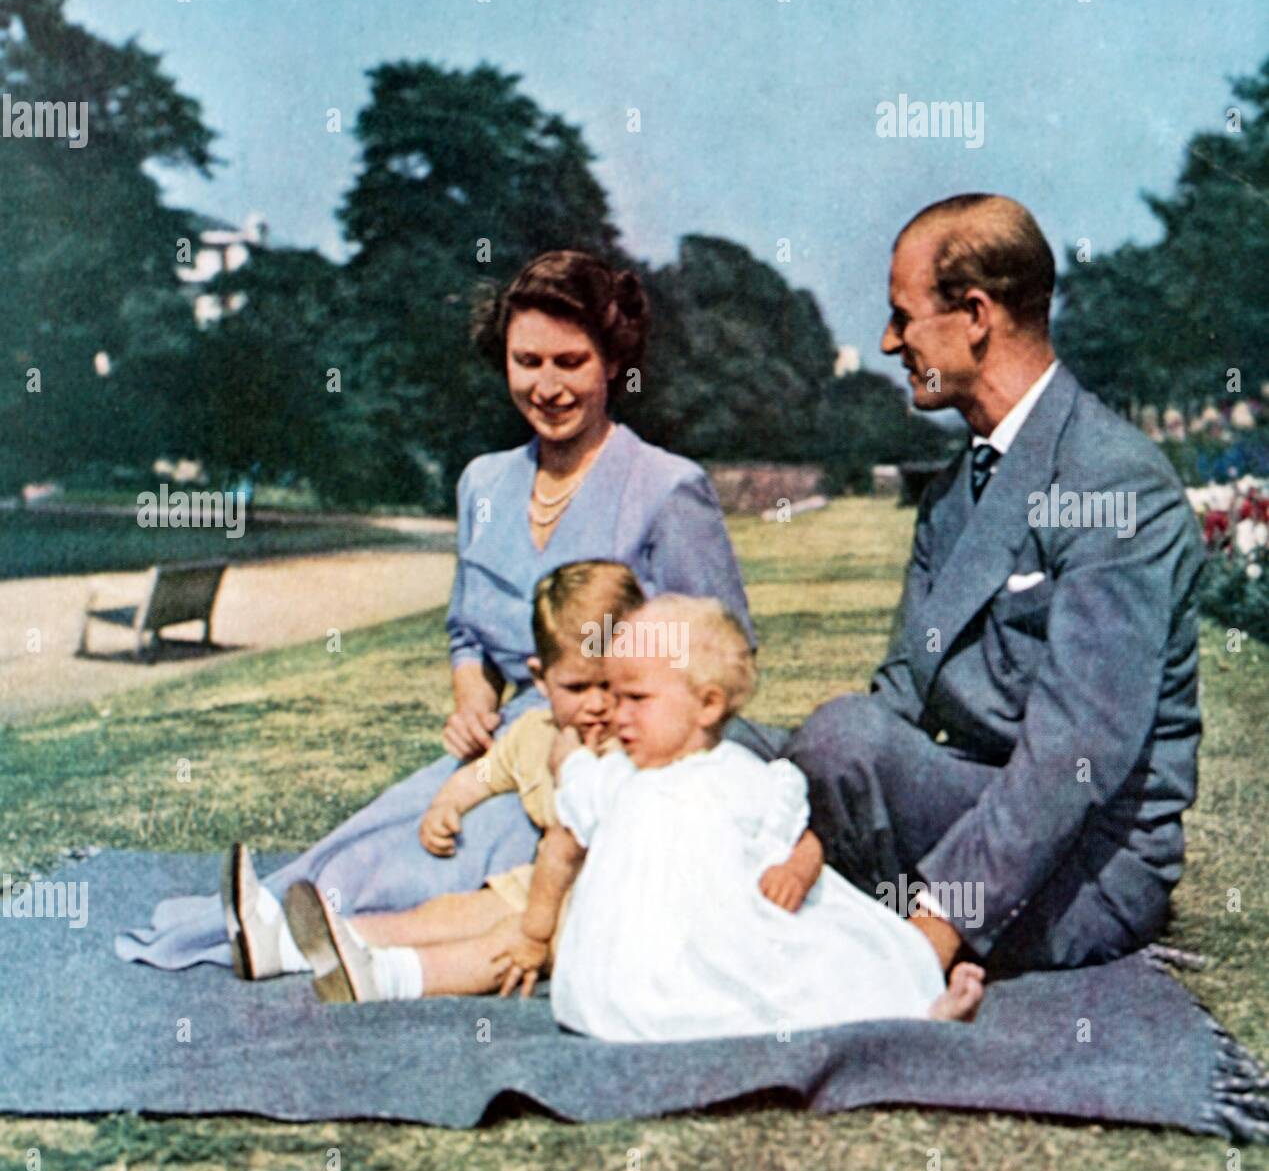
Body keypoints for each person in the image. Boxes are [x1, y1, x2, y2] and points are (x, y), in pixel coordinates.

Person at [117, 250, 761, 973]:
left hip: (617, 760)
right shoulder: (482, 483)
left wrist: (620, 720)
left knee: (478, 845)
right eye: (527, 361)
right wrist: (469, 694)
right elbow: (467, 631)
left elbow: (722, 651)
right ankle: (282, 921)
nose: (546, 386)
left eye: (569, 362)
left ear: (613, 363)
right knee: (402, 820)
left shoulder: (666, 487)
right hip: (507, 741)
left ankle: (328, 947)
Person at [789, 194, 1205, 978]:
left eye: (901, 316)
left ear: (974, 314)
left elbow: (1071, 759)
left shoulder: (1112, 482)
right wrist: (799, 830)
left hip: (1082, 868)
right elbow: (900, 697)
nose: (886, 342)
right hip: (968, 814)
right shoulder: (954, 490)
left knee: (840, 738)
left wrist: (928, 941)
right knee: (738, 751)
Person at [497, 595, 986, 1042]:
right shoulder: (618, 777)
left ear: (706, 705)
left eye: (637, 699)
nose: (616, 714)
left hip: (728, 934)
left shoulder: (741, 775)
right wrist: (535, 932)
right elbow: (567, 825)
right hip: (633, 953)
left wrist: (796, 870)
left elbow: (805, 835)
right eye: (615, 695)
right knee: (633, 994)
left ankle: (907, 1006)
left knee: (803, 971)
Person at [274, 560, 641, 1002]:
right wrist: (446, 805)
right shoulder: (533, 735)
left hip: (616, 904)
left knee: (509, 938)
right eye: (578, 688)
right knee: (449, 912)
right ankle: (292, 947)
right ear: (542, 680)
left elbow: (586, 839)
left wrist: (535, 932)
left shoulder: (637, 745)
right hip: (543, 886)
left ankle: (390, 977)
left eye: (614, 686)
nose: (599, 704)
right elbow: (482, 776)